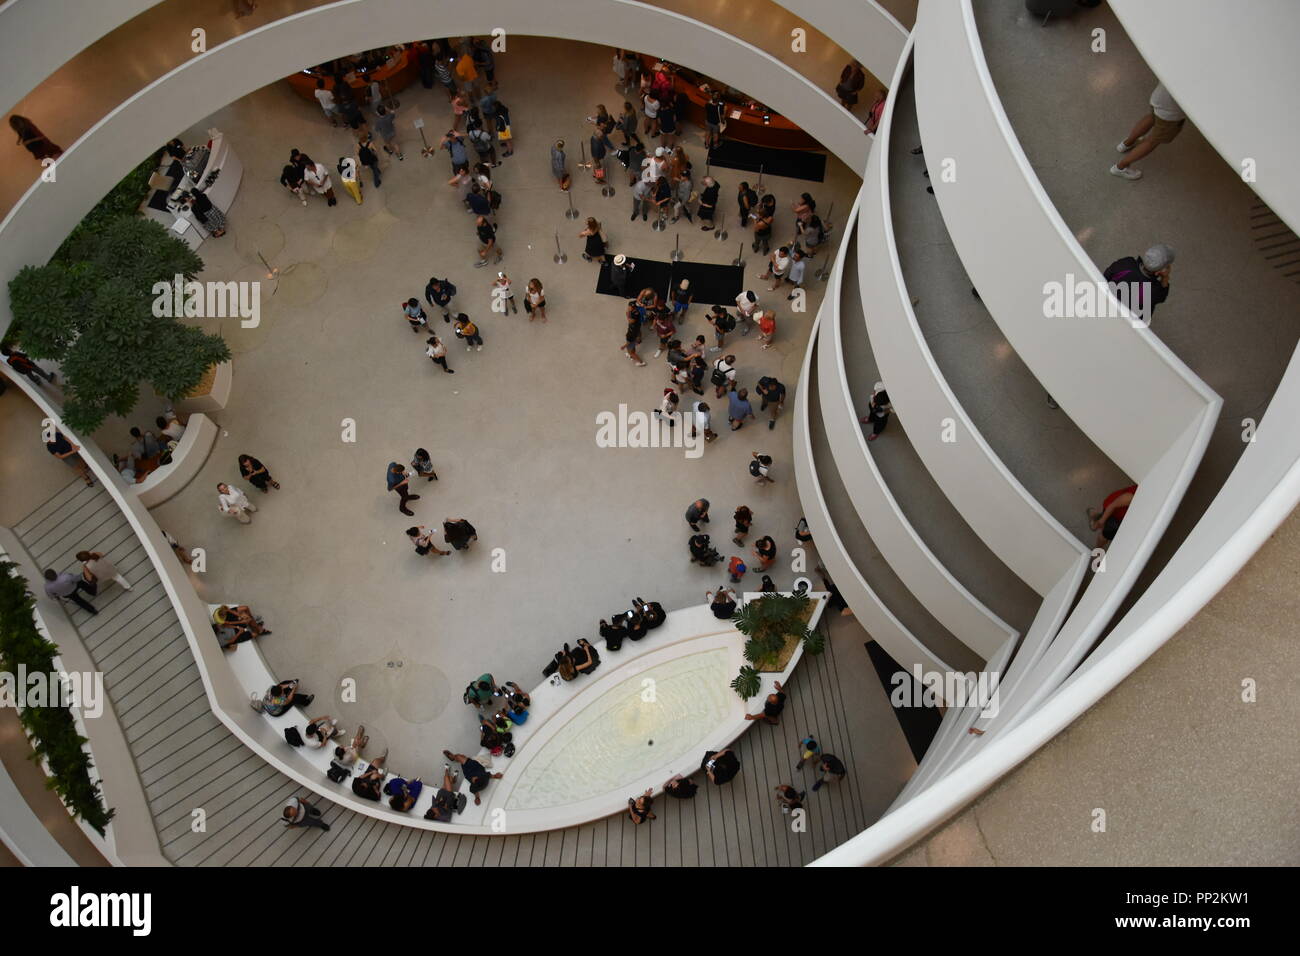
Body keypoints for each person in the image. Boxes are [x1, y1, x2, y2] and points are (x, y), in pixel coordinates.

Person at [1111, 83, 1186, 181]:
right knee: (1153, 141)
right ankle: (1120, 167)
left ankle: (1127, 143)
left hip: (1159, 97)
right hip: (1171, 111)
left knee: (1152, 117)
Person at [1103, 244, 1174, 323]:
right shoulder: (1154, 290)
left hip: (1105, 303)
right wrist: (1165, 277)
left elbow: (1106, 275)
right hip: (1128, 321)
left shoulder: (1127, 262)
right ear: (1158, 272)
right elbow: (1162, 297)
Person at [1088, 484, 1138, 550]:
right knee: (1105, 536)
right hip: (1115, 514)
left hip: (1113, 504)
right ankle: (1097, 551)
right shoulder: (1131, 497)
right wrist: (1101, 521)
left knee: (1106, 514)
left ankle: (1097, 515)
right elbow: (1113, 505)